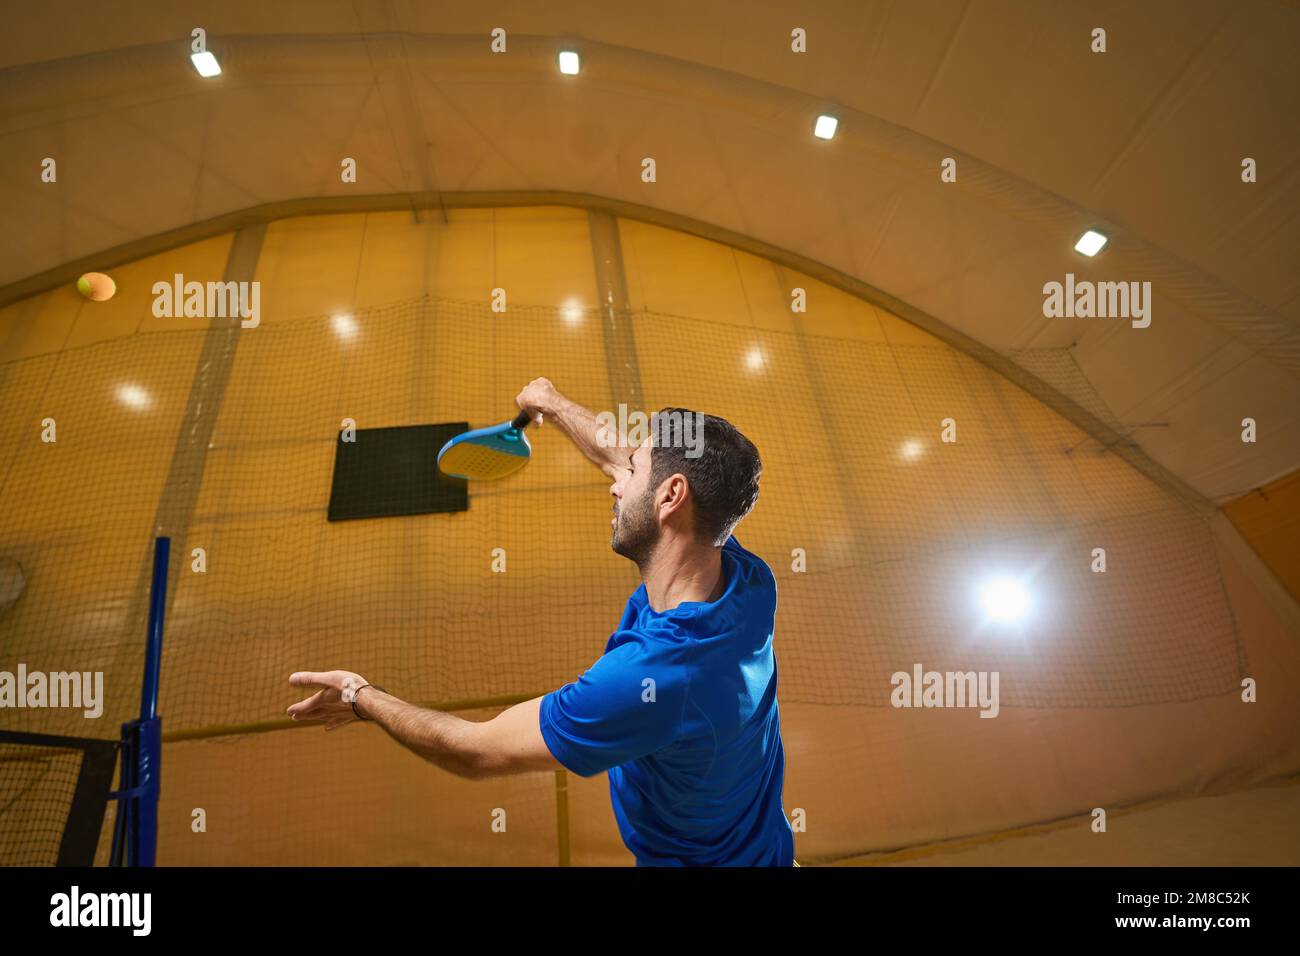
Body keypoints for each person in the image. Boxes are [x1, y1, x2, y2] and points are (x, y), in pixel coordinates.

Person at [288, 378, 794, 866]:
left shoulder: (652, 679)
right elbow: (614, 454)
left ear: (670, 497)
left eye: (633, 472)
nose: (617, 483)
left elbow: (474, 752)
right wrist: (551, 404)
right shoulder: (747, 580)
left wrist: (360, 696)